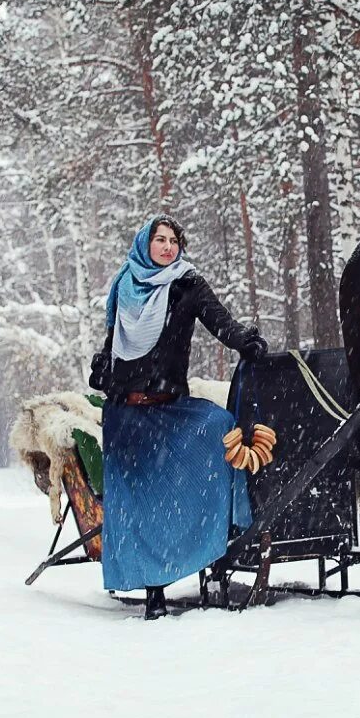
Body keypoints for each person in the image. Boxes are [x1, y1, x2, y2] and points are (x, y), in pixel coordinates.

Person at [92, 215, 267, 619]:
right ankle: (152, 590)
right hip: (125, 414)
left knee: (222, 428)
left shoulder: (186, 284)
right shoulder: (124, 286)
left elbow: (219, 320)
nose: (168, 247)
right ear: (144, 245)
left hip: (168, 408)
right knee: (138, 504)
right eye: (160, 240)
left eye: (174, 241)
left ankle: (225, 530)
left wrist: (245, 340)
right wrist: (101, 366)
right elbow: (113, 342)